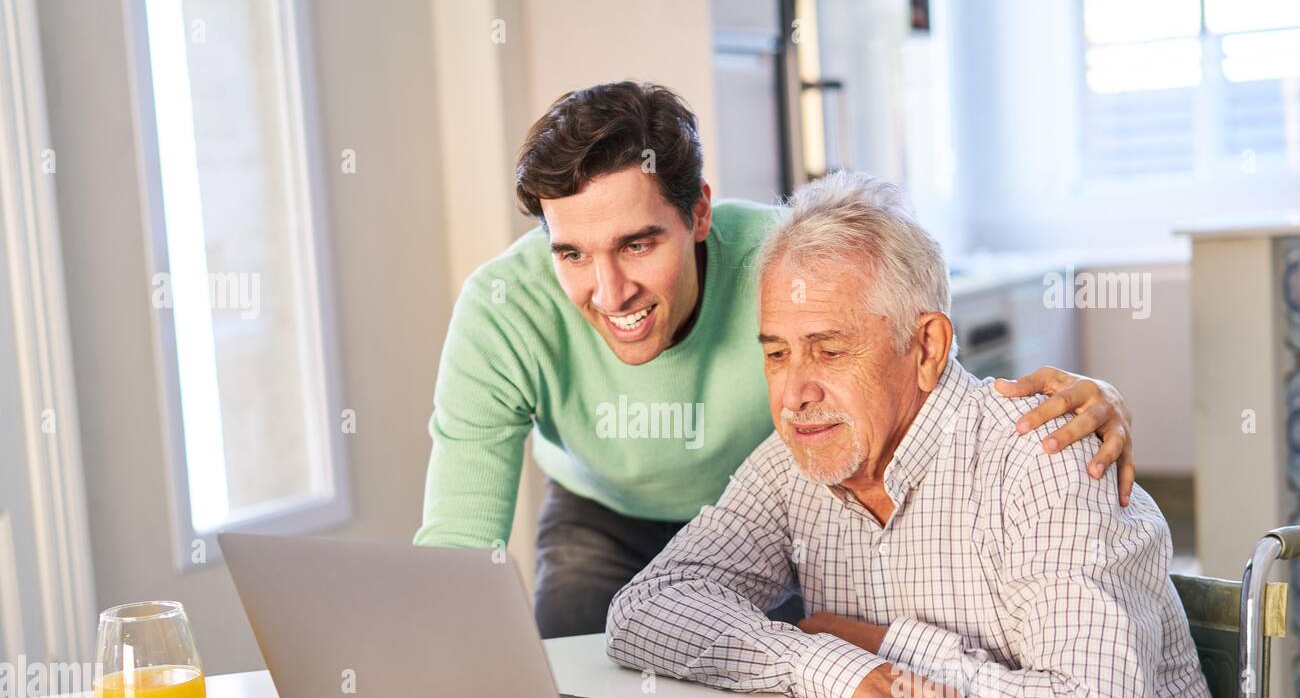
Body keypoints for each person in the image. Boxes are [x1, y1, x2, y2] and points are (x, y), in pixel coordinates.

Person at [606, 171, 1246, 698]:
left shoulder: (1045, 456)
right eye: (776, 353)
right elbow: (644, 610)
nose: (794, 394)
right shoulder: (798, 460)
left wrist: (887, 649)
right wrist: (838, 668)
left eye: (828, 349)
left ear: (929, 347)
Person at [416, 81, 1138, 640]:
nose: (609, 293)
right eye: (571, 252)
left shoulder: (779, 260)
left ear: (698, 214)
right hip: (603, 517)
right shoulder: (502, 309)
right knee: (573, 690)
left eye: (638, 244)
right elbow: (455, 546)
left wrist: (1081, 395)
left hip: (769, 516)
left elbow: (908, 359)